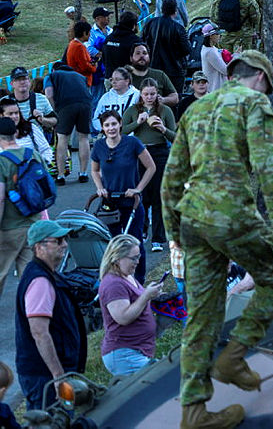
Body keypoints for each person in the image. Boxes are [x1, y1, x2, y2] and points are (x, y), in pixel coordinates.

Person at [163, 51, 273, 429]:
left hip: (193, 221)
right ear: (261, 79)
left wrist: (173, 231)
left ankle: (193, 411)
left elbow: (172, 176)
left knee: (201, 316)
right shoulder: (255, 102)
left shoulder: (196, 108)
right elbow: (268, 164)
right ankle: (233, 357)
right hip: (232, 216)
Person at [17, 220, 89, 410]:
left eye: (64, 239)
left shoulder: (47, 274)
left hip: (50, 373)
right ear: (39, 247)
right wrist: (58, 376)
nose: (64, 244)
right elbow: (39, 332)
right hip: (46, 378)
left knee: (63, 417)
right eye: (58, 241)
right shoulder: (40, 281)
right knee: (53, 419)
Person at [90, 108, 155, 280]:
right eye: (107, 125)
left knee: (134, 244)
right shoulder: (99, 146)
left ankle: (138, 281)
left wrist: (138, 189)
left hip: (131, 202)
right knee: (114, 245)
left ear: (120, 124)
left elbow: (151, 167)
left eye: (114, 124)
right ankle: (118, 280)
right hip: (110, 203)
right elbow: (95, 170)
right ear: (102, 128)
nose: (111, 128)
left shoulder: (132, 143)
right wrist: (100, 187)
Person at [122, 79, 175, 252]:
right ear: (141, 94)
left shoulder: (165, 110)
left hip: (159, 151)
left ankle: (158, 237)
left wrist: (163, 129)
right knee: (141, 193)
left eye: (152, 94)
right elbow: (121, 131)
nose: (149, 97)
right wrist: (137, 122)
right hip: (139, 152)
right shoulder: (133, 110)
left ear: (157, 93)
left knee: (159, 195)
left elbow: (176, 136)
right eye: (146, 94)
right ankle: (142, 230)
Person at [98, 234, 162, 376]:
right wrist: (146, 296)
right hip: (124, 354)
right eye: (133, 258)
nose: (138, 261)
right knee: (161, 380)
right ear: (117, 258)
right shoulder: (113, 284)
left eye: (138, 256)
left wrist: (152, 296)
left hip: (134, 350)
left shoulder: (126, 275)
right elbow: (123, 317)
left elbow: (136, 303)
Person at [0, 117, 37, 300]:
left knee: (1, 273)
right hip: (34, 225)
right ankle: (31, 311)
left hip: (9, 227)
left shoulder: (1, 162)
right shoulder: (32, 155)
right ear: (15, 133)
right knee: (28, 277)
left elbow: (0, 199)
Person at [45, 60, 92, 184]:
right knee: (83, 138)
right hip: (85, 104)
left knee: (63, 138)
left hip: (66, 105)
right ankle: (83, 173)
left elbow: (49, 94)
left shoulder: (51, 75)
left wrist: (54, 112)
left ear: (54, 69)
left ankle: (61, 176)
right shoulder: (80, 76)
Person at [127, 41, 179, 107]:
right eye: (138, 53)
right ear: (131, 58)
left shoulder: (160, 75)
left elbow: (175, 97)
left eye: (144, 53)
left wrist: (163, 100)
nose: (142, 56)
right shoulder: (124, 77)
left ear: (149, 57)